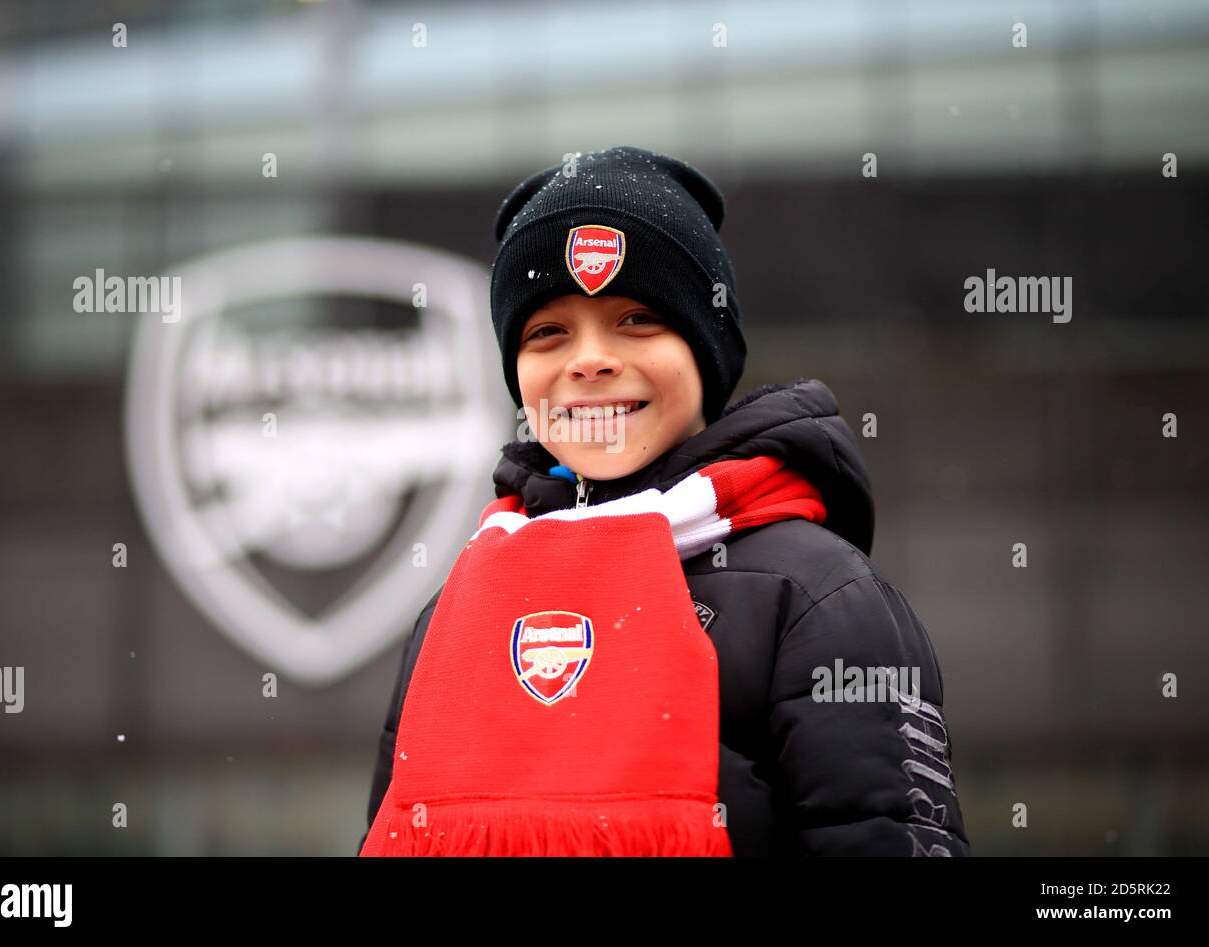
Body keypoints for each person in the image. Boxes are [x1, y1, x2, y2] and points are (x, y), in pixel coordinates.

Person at [361, 145, 970, 856]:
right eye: (547, 331)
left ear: (706, 350)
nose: (589, 359)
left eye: (637, 319)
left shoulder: (819, 598)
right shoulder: (460, 605)